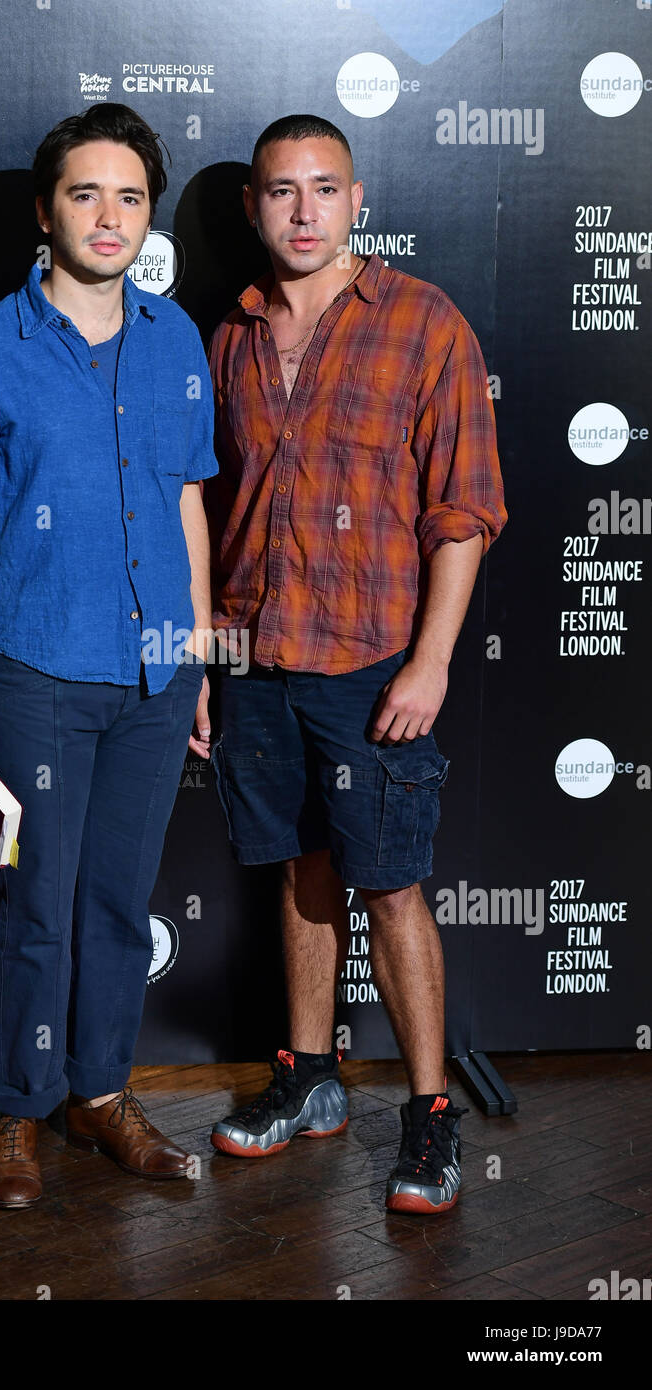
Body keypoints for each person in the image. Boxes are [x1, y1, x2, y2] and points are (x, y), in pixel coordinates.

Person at [203, 114, 507, 1213]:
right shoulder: (228, 336)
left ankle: (427, 1115)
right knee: (298, 870)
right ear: (251, 205)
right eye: (280, 191)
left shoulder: (423, 324)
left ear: (355, 200)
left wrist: (428, 662)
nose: (301, 211)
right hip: (256, 657)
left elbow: (462, 513)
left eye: (321, 189)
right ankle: (310, 1077)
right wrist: (204, 656)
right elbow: (207, 508)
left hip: (374, 662)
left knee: (388, 886)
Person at [0, 103, 216, 1209]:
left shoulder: (175, 339)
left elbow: (187, 503)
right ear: (45, 211)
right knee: (36, 905)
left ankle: (100, 1092)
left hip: (150, 680)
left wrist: (195, 657)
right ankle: (18, 1111)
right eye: (85, 193)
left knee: (115, 900)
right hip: (31, 675)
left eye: (129, 196)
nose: (108, 216)